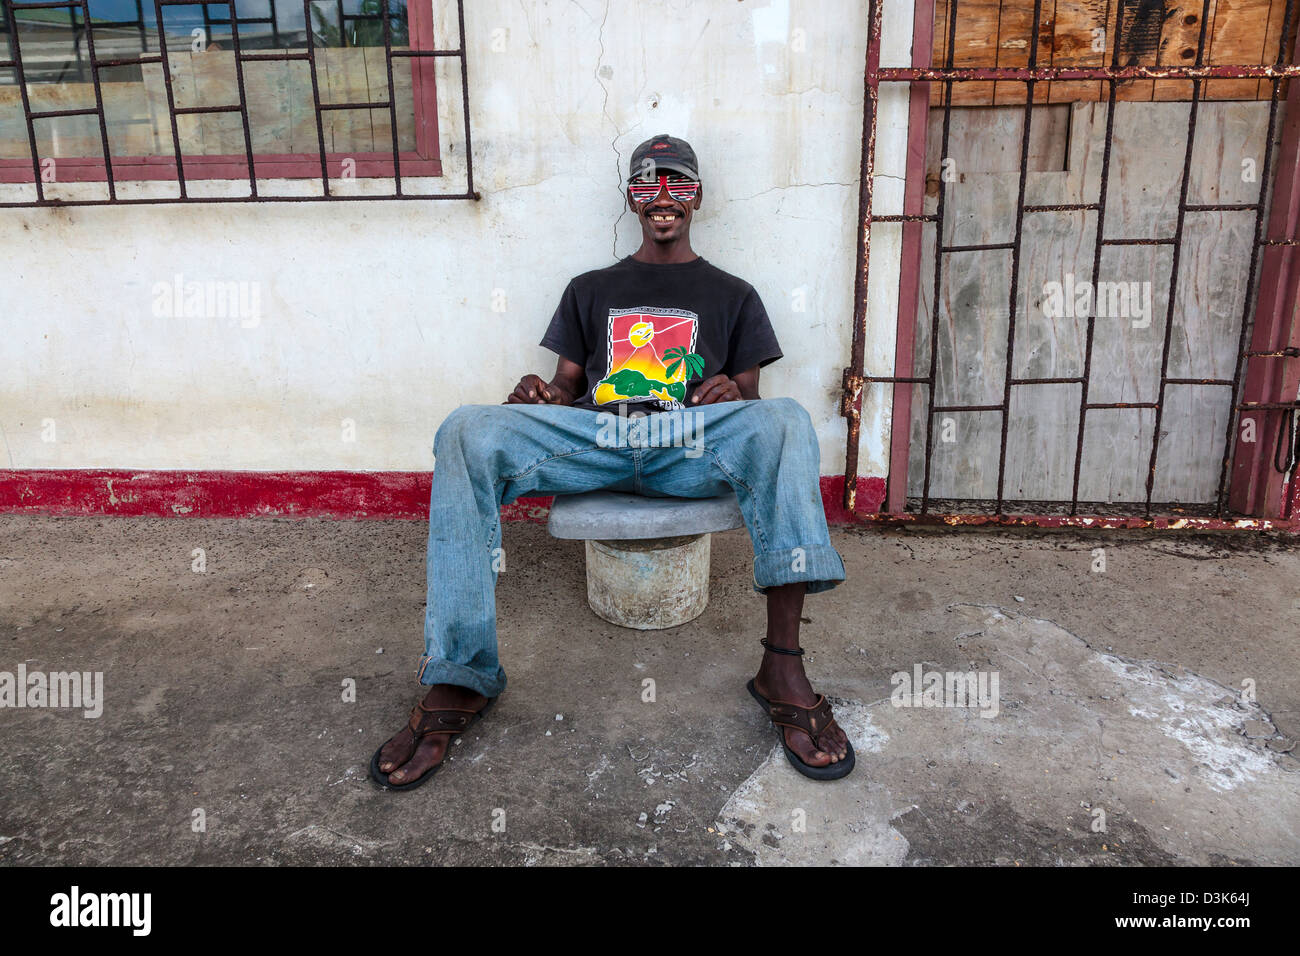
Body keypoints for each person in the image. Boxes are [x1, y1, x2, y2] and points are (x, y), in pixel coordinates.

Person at [371, 134, 853, 790]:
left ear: (698, 198)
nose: (662, 196)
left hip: (688, 445)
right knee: (465, 429)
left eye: (678, 183)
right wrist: (539, 396)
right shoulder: (590, 288)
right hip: (594, 442)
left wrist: (731, 391)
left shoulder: (734, 294)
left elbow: (753, 414)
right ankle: (460, 675)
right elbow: (563, 388)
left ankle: (783, 665)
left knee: (788, 421)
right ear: (631, 197)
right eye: (648, 184)